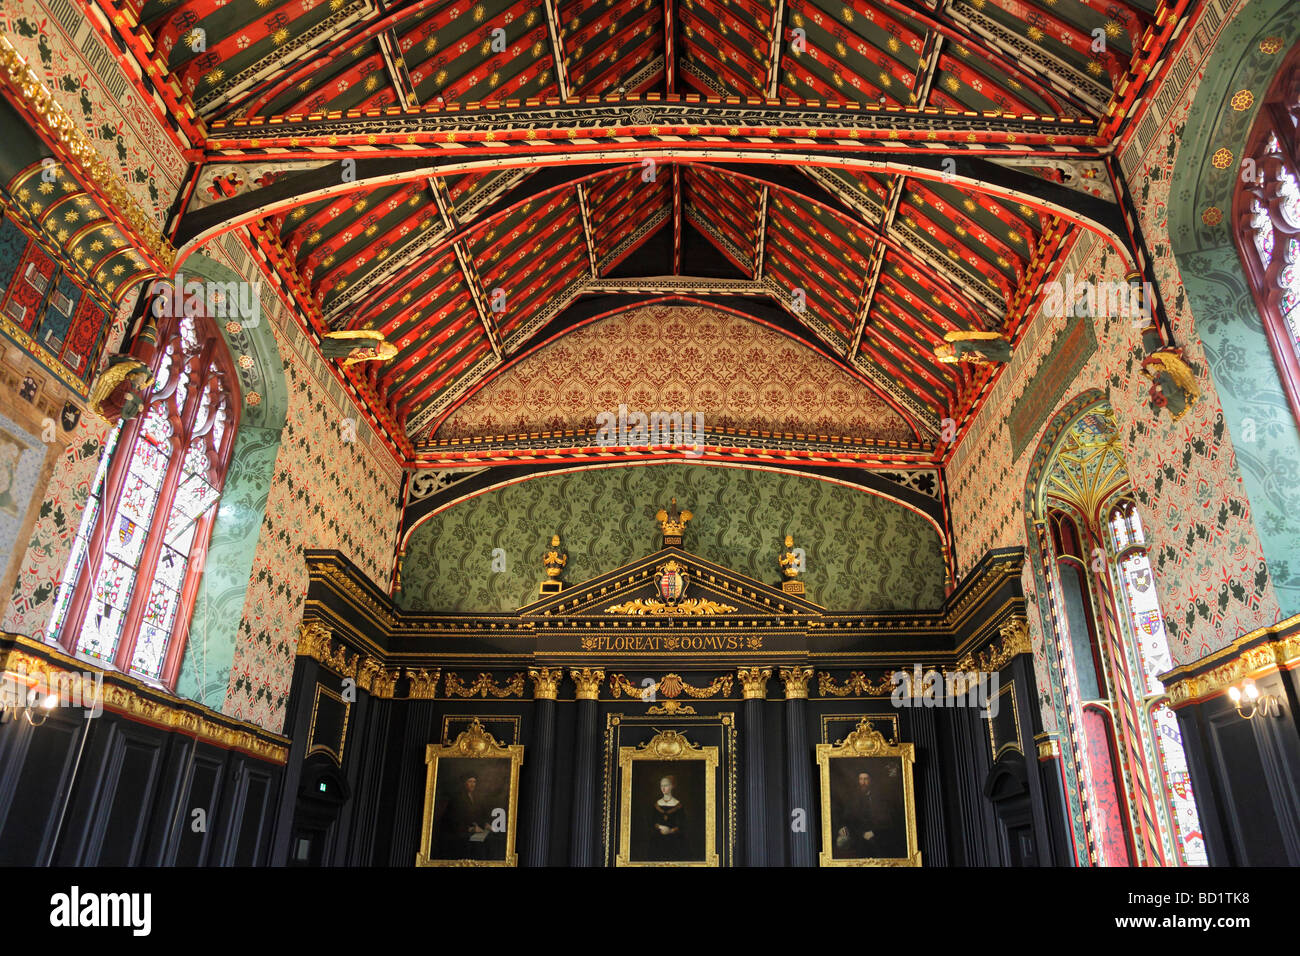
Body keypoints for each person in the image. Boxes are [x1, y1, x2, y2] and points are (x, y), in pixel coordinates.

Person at [834, 769, 903, 859]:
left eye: (866, 779)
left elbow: (887, 820)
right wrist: (842, 826)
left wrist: (874, 832)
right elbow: (847, 817)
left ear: (870, 781)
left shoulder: (879, 798)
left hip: (877, 833)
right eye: (861, 779)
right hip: (858, 833)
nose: (863, 782)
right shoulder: (853, 798)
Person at [437, 772, 491, 857]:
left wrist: (485, 824)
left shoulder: (474, 797)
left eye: (474, 782)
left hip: (469, 833)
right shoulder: (457, 798)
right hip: (456, 835)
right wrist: (470, 829)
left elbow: (477, 815)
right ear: (464, 783)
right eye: (470, 781)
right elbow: (452, 820)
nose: (473, 784)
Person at [645, 774, 689, 862]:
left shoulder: (678, 805)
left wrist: (670, 831)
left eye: (666, 785)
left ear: (672, 786)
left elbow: (682, 825)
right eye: (661, 785)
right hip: (658, 840)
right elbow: (652, 822)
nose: (663, 788)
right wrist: (660, 827)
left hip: (675, 840)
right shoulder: (656, 804)